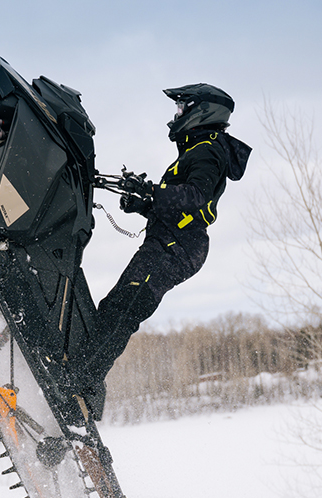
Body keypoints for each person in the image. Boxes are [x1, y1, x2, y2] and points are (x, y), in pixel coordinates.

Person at [75, 83, 252, 420]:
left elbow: (196, 198)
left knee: (125, 308)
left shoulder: (207, 150)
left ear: (202, 112)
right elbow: (180, 207)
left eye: (182, 108)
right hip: (170, 241)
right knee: (116, 307)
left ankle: (80, 383)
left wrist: (153, 192)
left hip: (178, 246)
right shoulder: (197, 150)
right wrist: (144, 204)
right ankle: (83, 379)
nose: (177, 114)